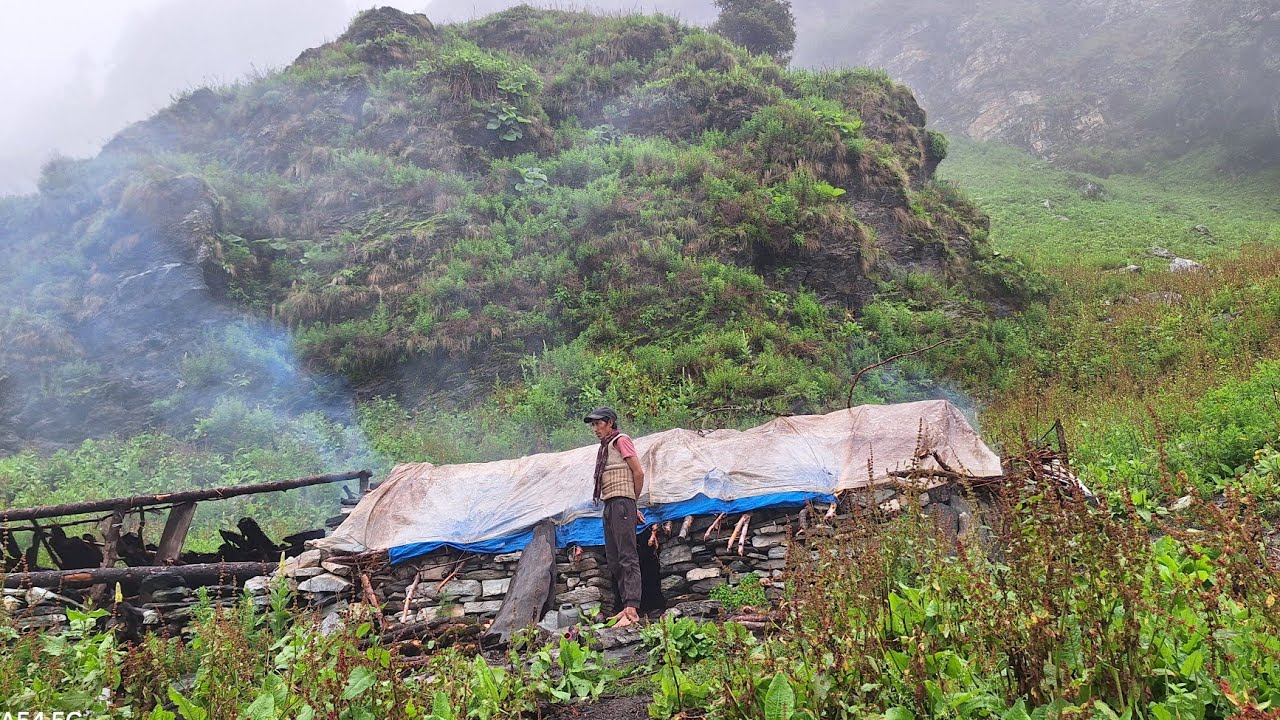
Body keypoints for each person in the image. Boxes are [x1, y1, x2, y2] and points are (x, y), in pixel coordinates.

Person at [585, 406, 646, 627]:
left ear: (610, 422)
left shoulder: (621, 440)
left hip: (622, 502)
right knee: (613, 556)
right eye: (593, 425)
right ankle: (624, 608)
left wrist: (632, 502)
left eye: (598, 423)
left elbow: (638, 472)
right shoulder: (604, 448)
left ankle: (632, 608)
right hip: (610, 503)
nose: (595, 429)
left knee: (627, 555)